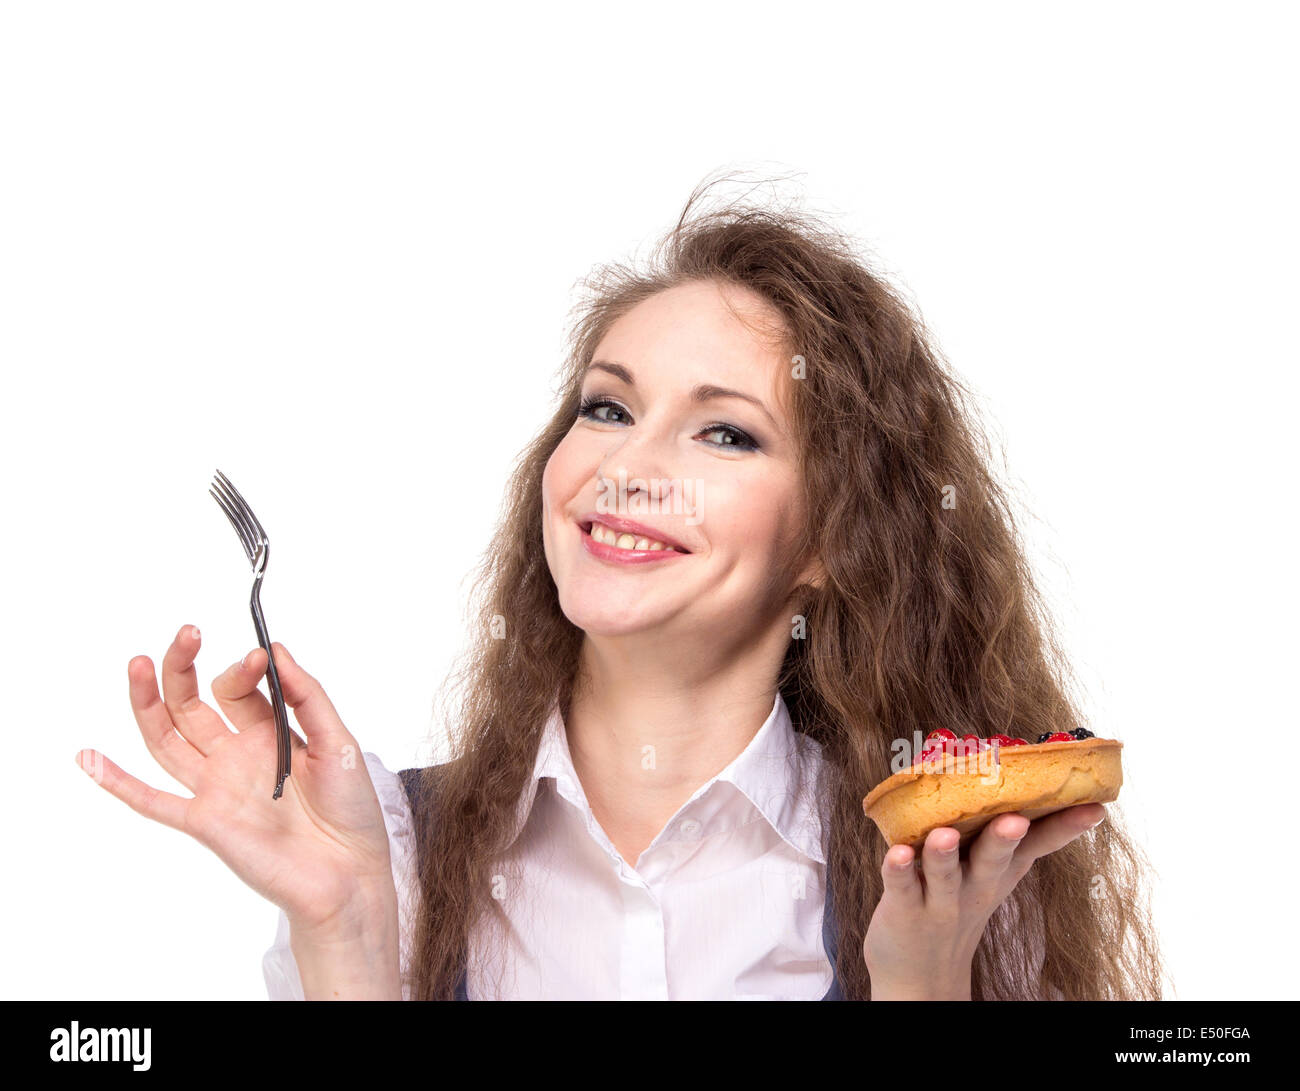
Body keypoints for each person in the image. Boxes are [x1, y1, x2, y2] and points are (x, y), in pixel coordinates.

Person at [79, 177, 1165, 1000]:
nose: (627, 468)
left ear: (834, 537)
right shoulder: (385, 845)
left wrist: (922, 986)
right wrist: (347, 932)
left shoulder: (946, 877)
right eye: (606, 409)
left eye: (725, 431)